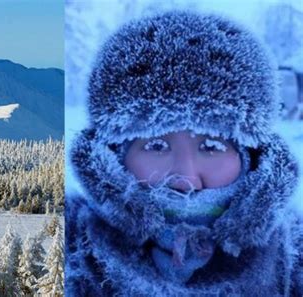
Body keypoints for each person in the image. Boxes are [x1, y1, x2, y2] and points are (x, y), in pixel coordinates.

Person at [66, 11, 302, 296]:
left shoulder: (293, 253)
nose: (185, 179)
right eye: (156, 146)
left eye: (211, 147)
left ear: (252, 156)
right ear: (111, 155)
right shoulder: (68, 242)